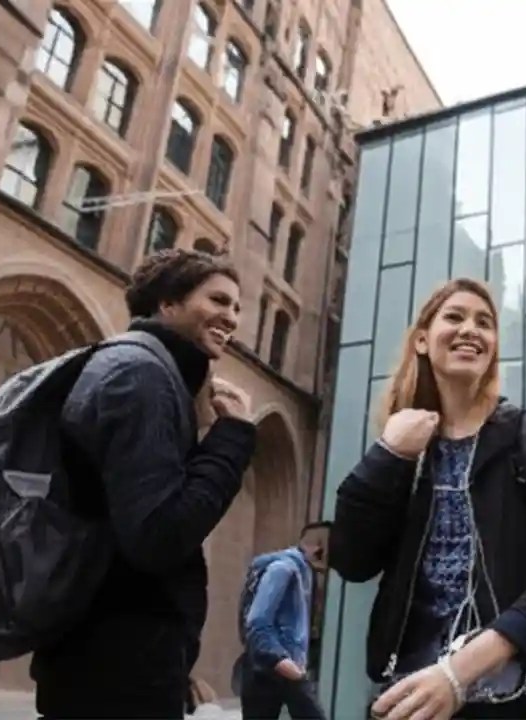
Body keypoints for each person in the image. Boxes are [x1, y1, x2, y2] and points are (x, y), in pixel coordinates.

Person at [330, 278, 526, 720]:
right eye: (454, 317)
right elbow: (352, 560)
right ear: (421, 340)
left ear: (493, 347)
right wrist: (387, 456)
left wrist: (457, 674)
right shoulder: (404, 446)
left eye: (485, 323)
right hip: (408, 697)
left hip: (514, 698)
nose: (470, 329)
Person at [31, 249, 257, 719]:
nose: (231, 318)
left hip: (110, 659)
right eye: (218, 300)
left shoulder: (147, 372)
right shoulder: (142, 376)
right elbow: (160, 535)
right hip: (114, 670)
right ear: (167, 303)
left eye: (236, 307)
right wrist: (232, 438)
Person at [239, 522, 332, 720]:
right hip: (275, 669)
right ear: (319, 547)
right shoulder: (284, 569)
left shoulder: (301, 571)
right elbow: (257, 622)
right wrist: (285, 663)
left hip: (276, 668)